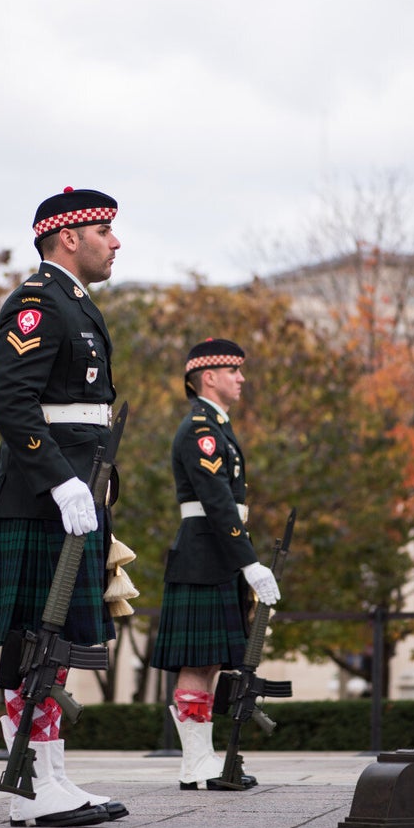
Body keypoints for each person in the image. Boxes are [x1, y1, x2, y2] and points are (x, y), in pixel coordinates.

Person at [0, 186, 128, 827]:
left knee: (55, 645)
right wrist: (61, 480)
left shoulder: (77, 306)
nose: (115, 242)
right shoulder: (37, 303)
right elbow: (11, 402)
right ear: (69, 237)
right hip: (40, 497)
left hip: (72, 495)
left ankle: (49, 773)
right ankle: (25, 788)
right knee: (30, 639)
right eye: (105, 231)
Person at [151, 338, 281, 790]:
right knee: (196, 660)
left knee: (210, 664)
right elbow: (218, 501)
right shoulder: (200, 430)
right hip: (205, 551)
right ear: (209, 376)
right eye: (234, 371)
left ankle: (203, 761)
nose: (241, 378)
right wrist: (249, 561)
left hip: (216, 552)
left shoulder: (218, 428)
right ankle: (195, 763)